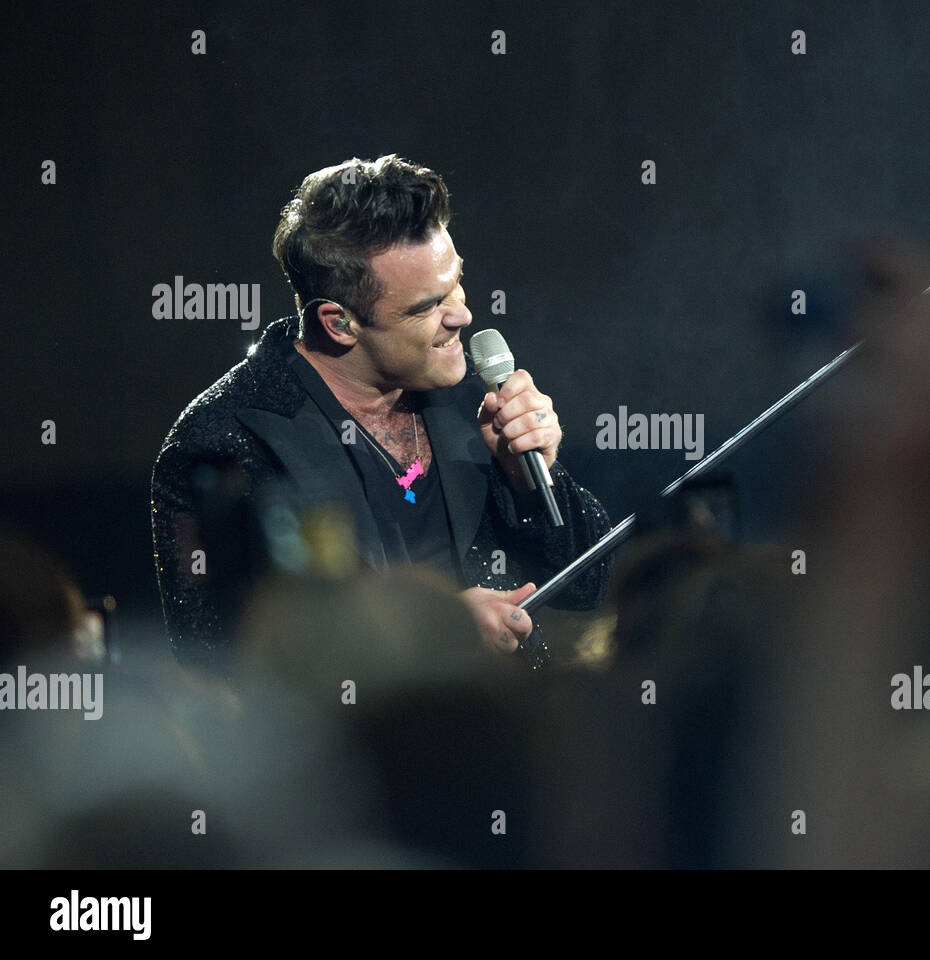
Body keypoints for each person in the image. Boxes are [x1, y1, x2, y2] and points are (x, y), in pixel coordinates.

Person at [151, 155, 611, 672]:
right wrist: (431, 632)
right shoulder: (225, 438)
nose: (462, 314)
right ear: (340, 323)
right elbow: (217, 658)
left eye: (457, 283)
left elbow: (588, 592)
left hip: (500, 731)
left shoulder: (472, 396)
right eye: (427, 306)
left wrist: (531, 479)